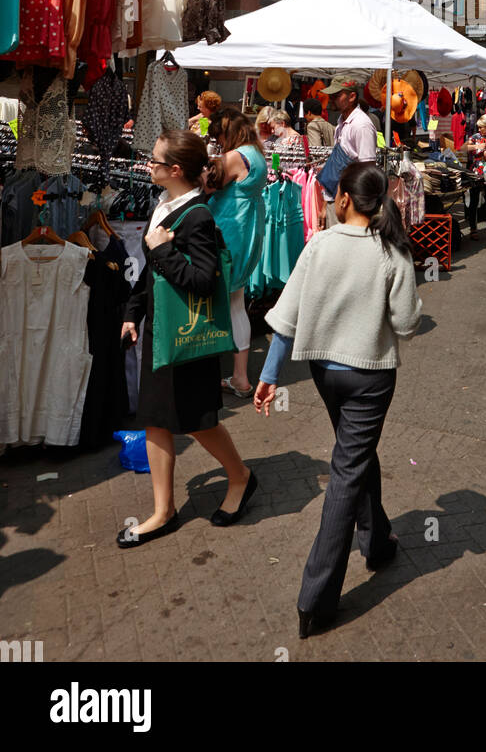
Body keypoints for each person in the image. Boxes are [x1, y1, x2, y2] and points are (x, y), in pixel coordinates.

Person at [255, 163, 421, 637]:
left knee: (354, 456)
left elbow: (286, 318)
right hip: (370, 376)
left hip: (324, 373)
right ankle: (316, 597)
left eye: (333, 195)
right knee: (348, 470)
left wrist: (269, 375)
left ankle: (376, 543)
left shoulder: (320, 245)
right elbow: (408, 324)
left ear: (345, 200)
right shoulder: (392, 252)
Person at [118, 131, 257, 546]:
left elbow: (200, 281)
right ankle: (163, 511)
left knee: (198, 422)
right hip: (161, 333)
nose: (148, 166)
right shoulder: (165, 205)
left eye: (154, 161)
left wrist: (162, 250)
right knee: (156, 421)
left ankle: (241, 477)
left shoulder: (197, 215)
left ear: (174, 170)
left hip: (187, 338)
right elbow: (150, 274)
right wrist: (131, 313)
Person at [206, 107, 267, 398]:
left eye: (218, 136)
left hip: (227, 233)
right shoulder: (256, 154)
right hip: (248, 232)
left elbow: (206, 187)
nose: (218, 142)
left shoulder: (233, 157)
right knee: (236, 304)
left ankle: (207, 370)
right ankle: (240, 376)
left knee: (216, 301)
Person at [318, 76, 378, 228]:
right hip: (338, 198)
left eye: (337, 95)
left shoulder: (361, 125)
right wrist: (326, 205)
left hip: (351, 204)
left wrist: (358, 209)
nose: (331, 99)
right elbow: (335, 167)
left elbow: (367, 169)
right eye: (331, 95)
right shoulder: (341, 123)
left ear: (352, 97)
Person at [464, 115, 486, 240]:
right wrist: (477, 147)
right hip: (476, 172)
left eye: (482, 127)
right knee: (474, 201)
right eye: (479, 127)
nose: (480, 130)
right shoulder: (475, 137)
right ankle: (473, 228)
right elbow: (463, 147)